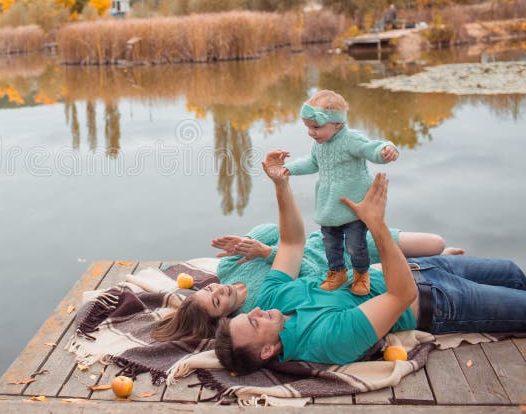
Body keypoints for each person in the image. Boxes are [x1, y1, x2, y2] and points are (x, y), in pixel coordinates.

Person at [213, 151, 526, 374]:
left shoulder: (271, 300)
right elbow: (400, 295)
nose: (254, 309)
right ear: (267, 350)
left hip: (430, 268)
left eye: (250, 314)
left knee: (513, 272)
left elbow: (292, 243)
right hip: (442, 302)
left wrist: (281, 184)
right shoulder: (325, 340)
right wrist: (375, 226)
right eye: (254, 322)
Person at [151, 223, 452, 343]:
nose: (218, 289)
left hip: (328, 240)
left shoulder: (229, 267)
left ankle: (421, 261)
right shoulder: (261, 305)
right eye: (216, 301)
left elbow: (281, 231)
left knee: (435, 243)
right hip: (340, 263)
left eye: (209, 289)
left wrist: (252, 242)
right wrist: (269, 254)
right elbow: (311, 278)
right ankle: (414, 264)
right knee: (436, 249)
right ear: (224, 317)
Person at [283, 89, 398, 296]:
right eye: (308, 127)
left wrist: (385, 150)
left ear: (337, 124)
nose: (311, 132)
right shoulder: (319, 145)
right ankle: (337, 272)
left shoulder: (351, 139)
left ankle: (361, 274)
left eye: (316, 127)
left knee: (355, 245)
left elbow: (371, 149)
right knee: (330, 243)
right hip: (329, 205)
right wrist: (289, 168)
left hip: (354, 205)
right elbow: (311, 163)